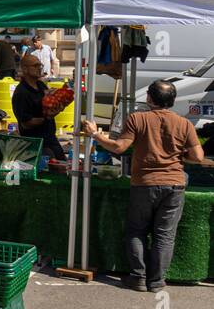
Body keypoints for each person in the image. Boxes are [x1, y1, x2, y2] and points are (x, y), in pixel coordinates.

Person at [83, 80, 206, 292]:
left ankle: (138, 277)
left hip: (144, 184)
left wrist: (95, 134)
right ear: (173, 100)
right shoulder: (184, 123)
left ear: (149, 98)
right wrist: (177, 155)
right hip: (175, 183)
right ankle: (157, 282)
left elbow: (119, 147)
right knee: (164, 235)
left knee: (136, 231)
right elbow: (198, 156)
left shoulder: (137, 119)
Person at [11, 53, 66, 161]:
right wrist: (47, 118)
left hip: (50, 138)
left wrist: (58, 105)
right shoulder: (21, 93)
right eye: (36, 66)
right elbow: (26, 123)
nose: (40, 68)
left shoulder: (41, 85)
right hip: (34, 143)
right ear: (25, 69)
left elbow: (49, 107)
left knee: (63, 164)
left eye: (40, 65)